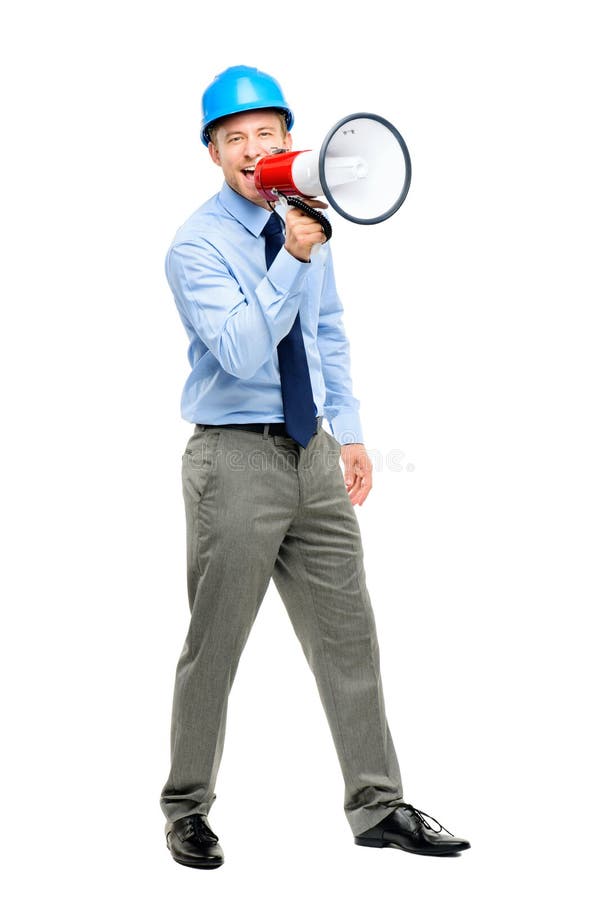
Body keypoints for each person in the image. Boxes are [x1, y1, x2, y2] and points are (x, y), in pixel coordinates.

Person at [159, 65, 470, 869]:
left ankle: (378, 805)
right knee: (216, 643)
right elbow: (237, 347)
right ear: (214, 154)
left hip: (314, 453)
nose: (252, 148)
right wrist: (291, 257)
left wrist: (352, 430)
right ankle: (185, 808)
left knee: (348, 636)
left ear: (288, 143)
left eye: (267, 134)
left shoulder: (303, 215)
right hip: (233, 459)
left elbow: (325, 330)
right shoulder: (196, 244)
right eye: (234, 138)